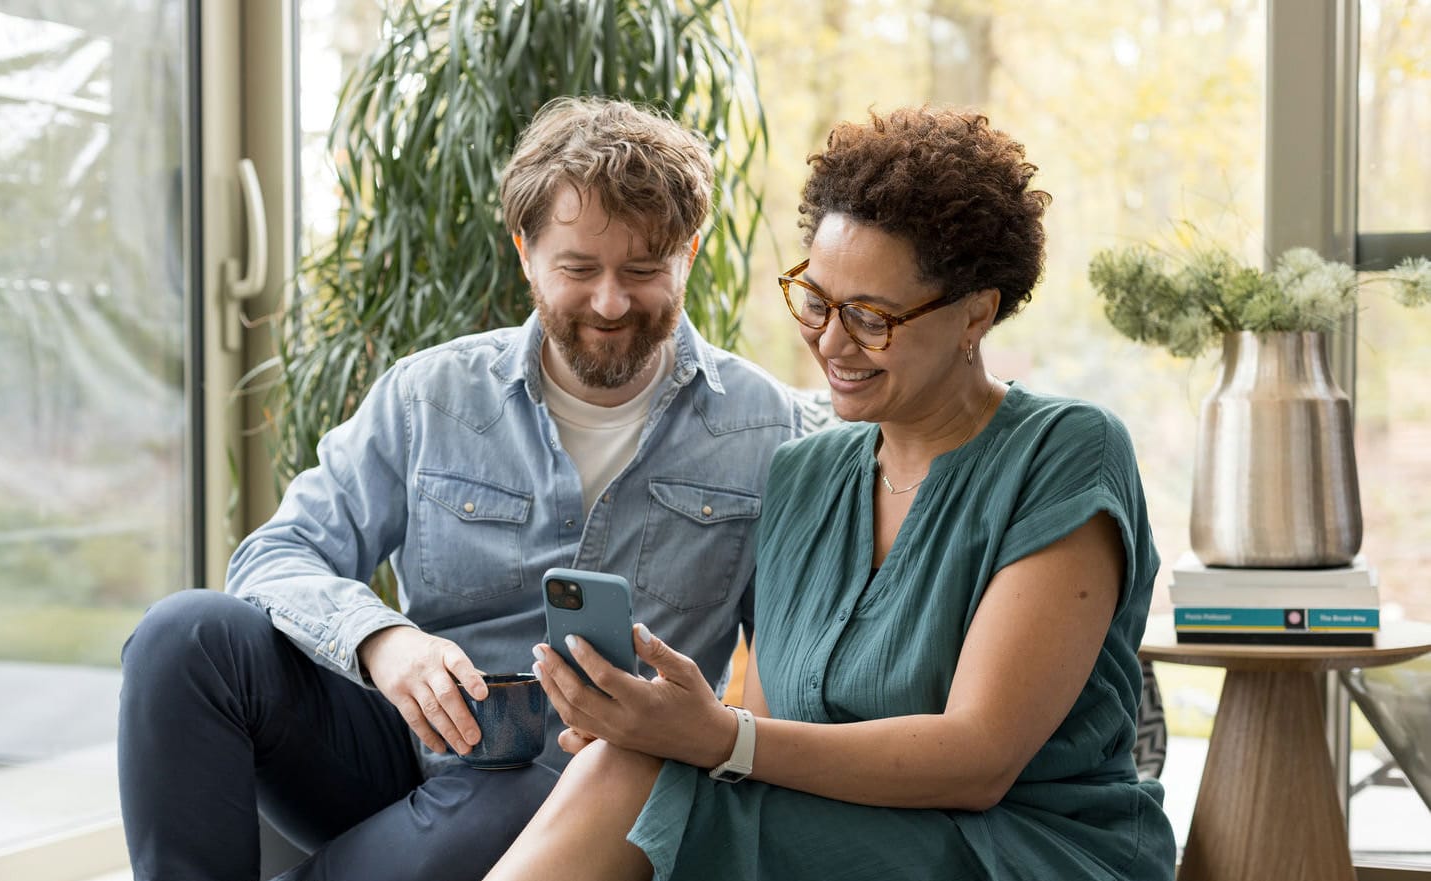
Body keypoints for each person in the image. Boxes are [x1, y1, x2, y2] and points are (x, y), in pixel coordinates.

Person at [116, 96, 800, 881]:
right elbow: (277, 552)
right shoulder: (428, 394)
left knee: (530, 794)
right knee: (186, 633)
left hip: (581, 799)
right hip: (396, 750)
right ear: (524, 252)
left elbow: (792, 665)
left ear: (690, 252)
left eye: (643, 270)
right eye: (577, 268)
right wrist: (383, 641)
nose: (610, 302)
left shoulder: (768, 430)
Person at [484, 107, 1177, 881]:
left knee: (632, 782)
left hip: (1028, 846)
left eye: (870, 317)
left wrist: (714, 735)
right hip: (851, 837)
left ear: (975, 312)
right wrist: (662, 729)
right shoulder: (803, 474)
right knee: (624, 765)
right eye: (815, 301)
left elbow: (977, 760)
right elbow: (776, 750)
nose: (830, 341)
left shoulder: (1064, 451)